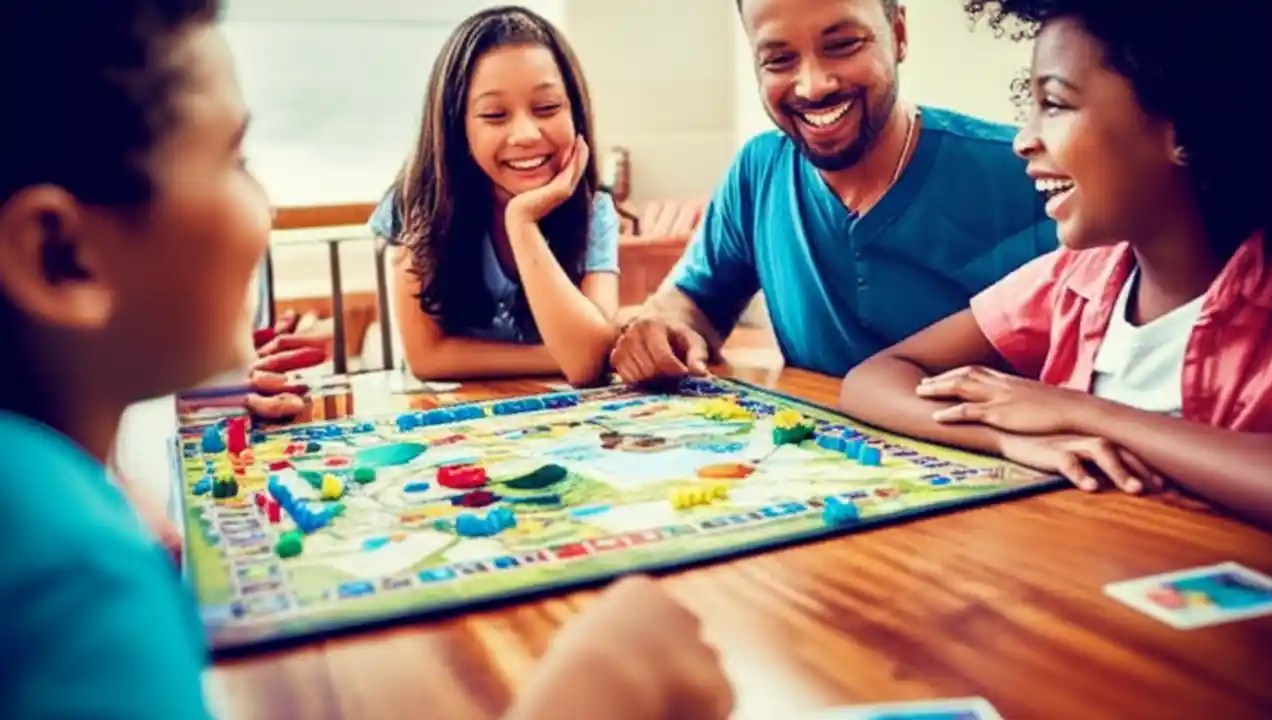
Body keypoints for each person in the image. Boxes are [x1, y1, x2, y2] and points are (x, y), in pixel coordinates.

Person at [0, 2, 734, 717]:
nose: (268, 211)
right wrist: (595, 691)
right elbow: (463, 353)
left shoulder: (62, 510)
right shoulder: (71, 581)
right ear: (61, 258)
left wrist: (199, 408)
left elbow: (587, 356)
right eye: (235, 160)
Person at [839, 0, 1272, 530]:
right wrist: (1009, 438)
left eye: (1055, 104)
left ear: (1184, 125)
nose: (1023, 140)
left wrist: (1080, 411)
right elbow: (871, 379)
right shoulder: (1076, 279)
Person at [609, 0, 1057, 383]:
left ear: (899, 34)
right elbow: (692, 305)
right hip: (822, 471)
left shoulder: (1032, 175)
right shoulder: (759, 171)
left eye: (842, 46)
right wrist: (665, 329)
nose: (813, 84)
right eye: (779, 60)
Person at [370, 6, 620, 386]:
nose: (526, 134)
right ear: (458, 128)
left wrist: (522, 222)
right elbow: (427, 357)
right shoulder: (417, 201)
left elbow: (590, 362)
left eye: (547, 108)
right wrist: (564, 353)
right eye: (494, 115)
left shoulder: (593, 209)